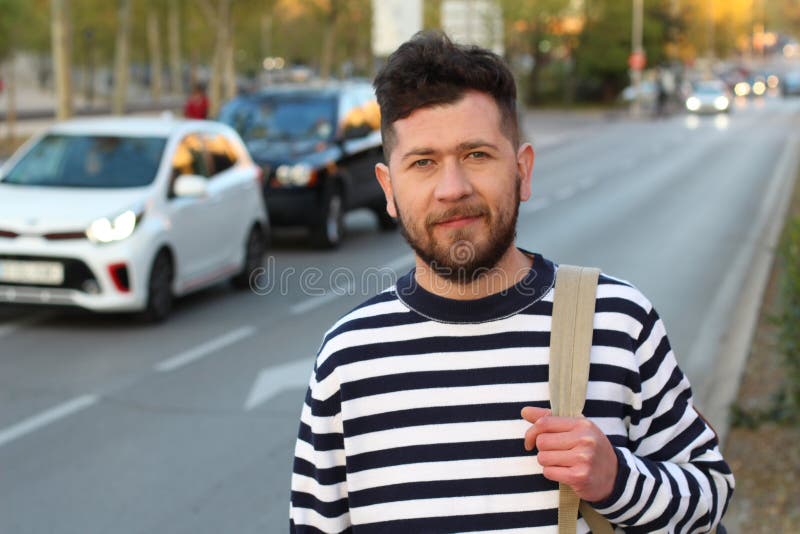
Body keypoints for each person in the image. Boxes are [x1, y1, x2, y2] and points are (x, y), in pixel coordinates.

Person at [290, 31, 734, 532]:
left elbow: (711, 495)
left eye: (477, 155)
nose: (452, 189)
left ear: (522, 171)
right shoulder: (347, 359)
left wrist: (617, 482)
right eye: (423, 163)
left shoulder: (616, 322)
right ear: (389, 190)